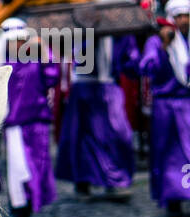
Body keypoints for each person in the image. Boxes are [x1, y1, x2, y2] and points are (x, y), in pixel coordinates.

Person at [0, 18, 59, 217]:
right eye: (14, 41)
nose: (19, 44)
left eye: (22, 40)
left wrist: (45, 50)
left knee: (37, 170)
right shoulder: (3, 65)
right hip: (15, 128)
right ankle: (18, 214)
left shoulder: (36, 60)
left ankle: (27, 213)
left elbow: (53, 76)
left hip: (37, 124)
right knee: (19, 173)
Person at [140, 0, 190, 217]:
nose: (182, 21)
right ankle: (172, 198)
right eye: (177, 17)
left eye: (185, 15)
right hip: (166, 106)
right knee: (167, 153)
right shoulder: (157, 41)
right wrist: (163, 47)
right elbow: (147, 67)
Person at [56, 31, 139, 199]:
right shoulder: (81, 29)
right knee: (82, 138)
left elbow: (132, 64)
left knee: (119, 135)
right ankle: (83, 181)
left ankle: (116, 180)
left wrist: (132, 60)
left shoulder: (121, 34)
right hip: (84, 87)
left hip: (109, 87)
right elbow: (79, 55)